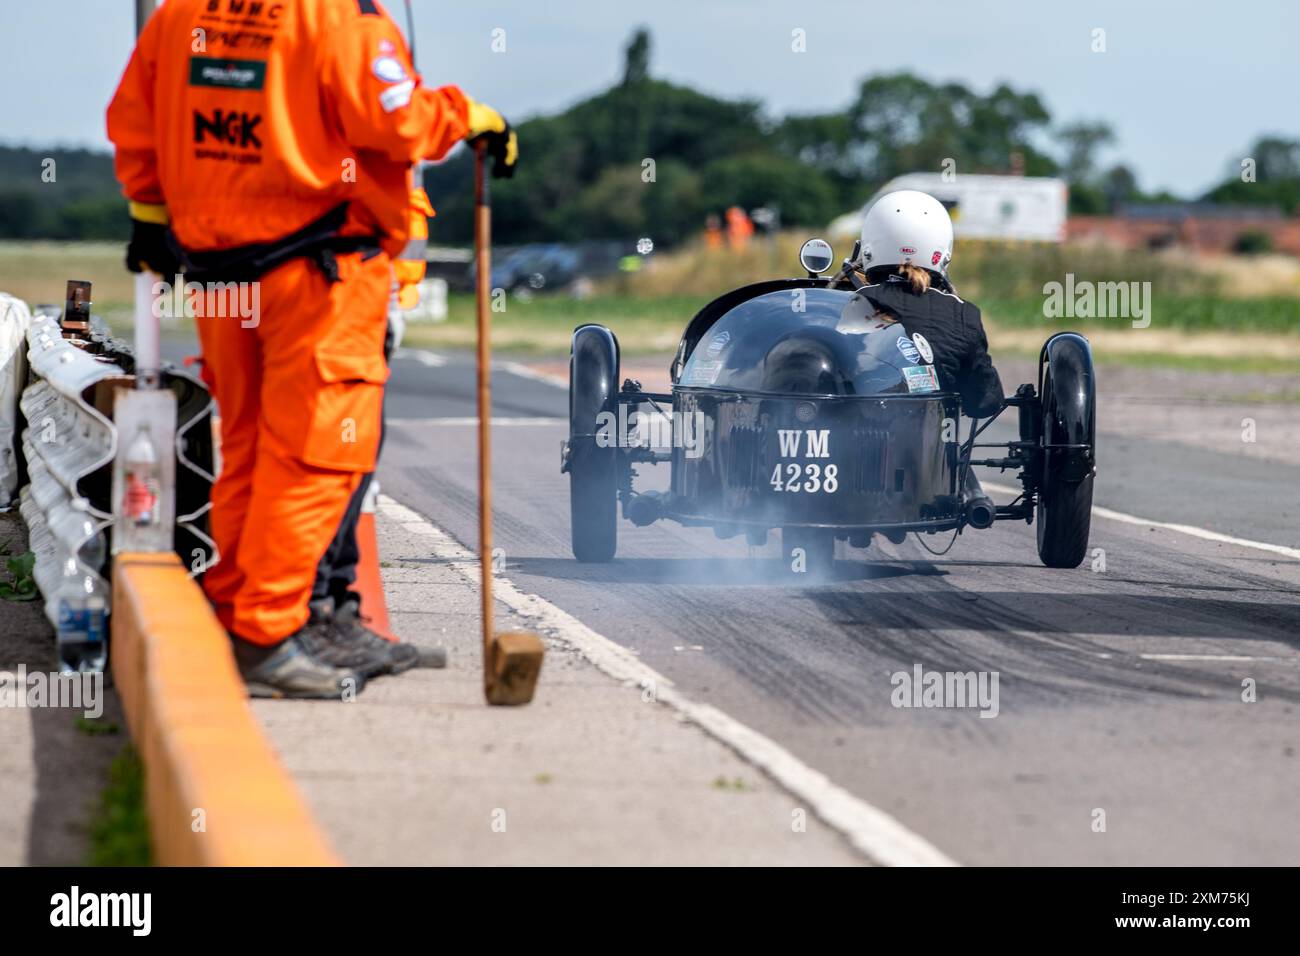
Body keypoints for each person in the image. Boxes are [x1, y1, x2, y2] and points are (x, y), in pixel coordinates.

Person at [107, 0, 517, 699]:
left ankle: (238, 616)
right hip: (318, 270)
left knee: (248, 443)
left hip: (218, 273)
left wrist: (150, 218)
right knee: (315, 454)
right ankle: (265, 633)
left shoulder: (180, 14)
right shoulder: (340, 15)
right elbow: (394, 121)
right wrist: (467, 114)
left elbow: (136, 122)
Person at [844, 190, 1004, 418]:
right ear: (942, 252)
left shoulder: (849, 304)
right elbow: (984, 403)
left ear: (869, 247)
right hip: (928, 447)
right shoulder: (962, 314)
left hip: (854, 440)